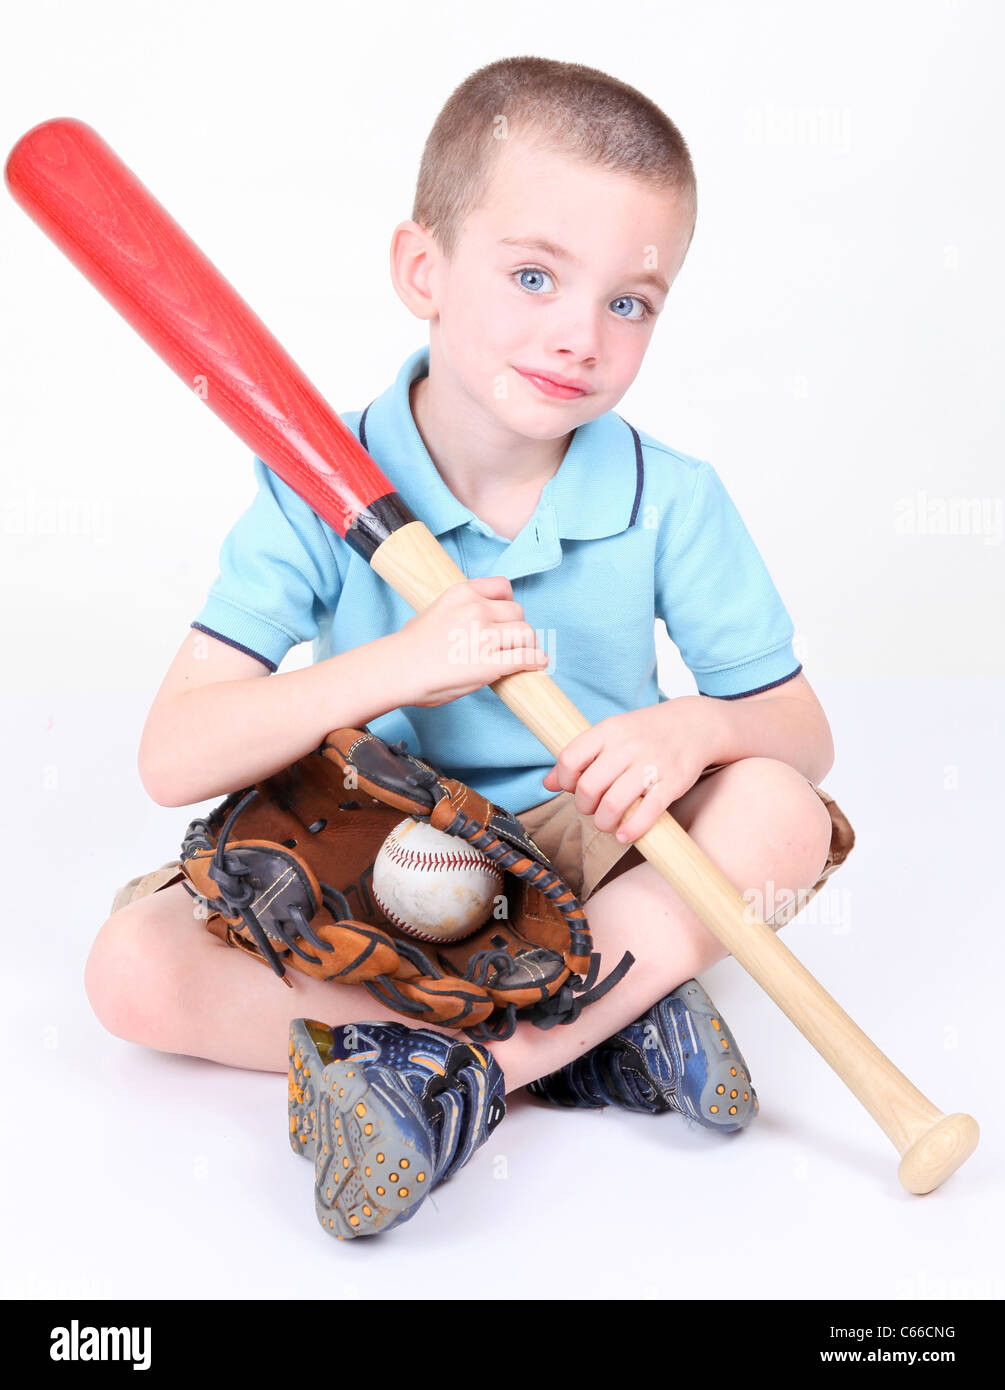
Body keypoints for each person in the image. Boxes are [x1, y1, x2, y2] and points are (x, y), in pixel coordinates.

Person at [86, 56, 854, 1240]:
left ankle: (461, 1076)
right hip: (369, 850)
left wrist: (698, 726)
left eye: (629, 300)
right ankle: (594, 1039)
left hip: (585, 848)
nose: (580, 337)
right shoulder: (311, 484)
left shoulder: (670, 497)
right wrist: (402, 663)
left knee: (780, 817)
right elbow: (173, 755)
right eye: (535, 274)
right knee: (128, 970)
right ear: (423, 270)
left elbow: (800, 734)